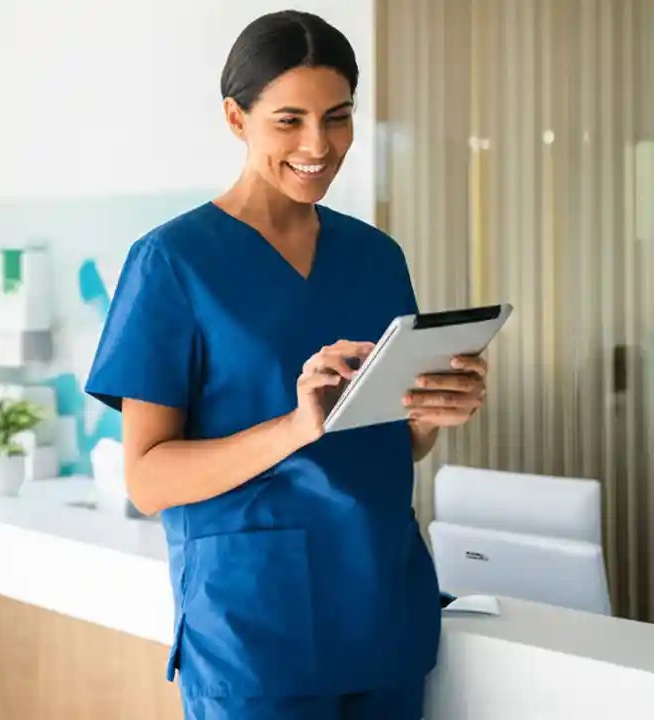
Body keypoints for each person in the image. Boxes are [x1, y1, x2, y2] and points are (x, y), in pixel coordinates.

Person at [84, 10, 489, 720]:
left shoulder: (375, 256)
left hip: (384, 609)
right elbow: (147, 479)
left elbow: (386, 444)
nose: (318, 145)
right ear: (236, 119)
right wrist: (295, 427)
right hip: (254, 631)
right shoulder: (172, 263)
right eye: (289, 120)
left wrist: (430, 419)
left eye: (337, 117)